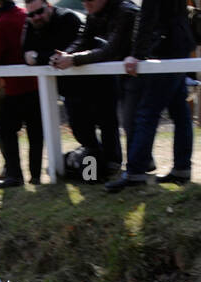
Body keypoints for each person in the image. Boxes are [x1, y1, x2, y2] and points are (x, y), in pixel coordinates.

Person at [103, 0, 193, 193]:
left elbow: (148, 16)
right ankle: (182, 168)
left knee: (147, 112)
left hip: (166, 48)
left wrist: (137, 54)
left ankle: (136, 172)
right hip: (181, 44)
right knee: (180, 111)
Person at [51, 0, 137, 182]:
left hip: (139, 73)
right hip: (119, 74)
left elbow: (111, 50)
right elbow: (84, 40)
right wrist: (66, 55)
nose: (85, 4)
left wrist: (74, 59)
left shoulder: (125, 11)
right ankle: (102, 167)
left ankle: (132, 168)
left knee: (129, 122)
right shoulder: (94, 13)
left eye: (89, 0)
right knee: (106, 123)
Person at [0, 0, 40, 187]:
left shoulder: (1, 23)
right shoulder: (26, 15)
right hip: (38, 85)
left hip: (16, 87)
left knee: (6, 130)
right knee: (36, 133)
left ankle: (14, 175)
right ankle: (36, 176)